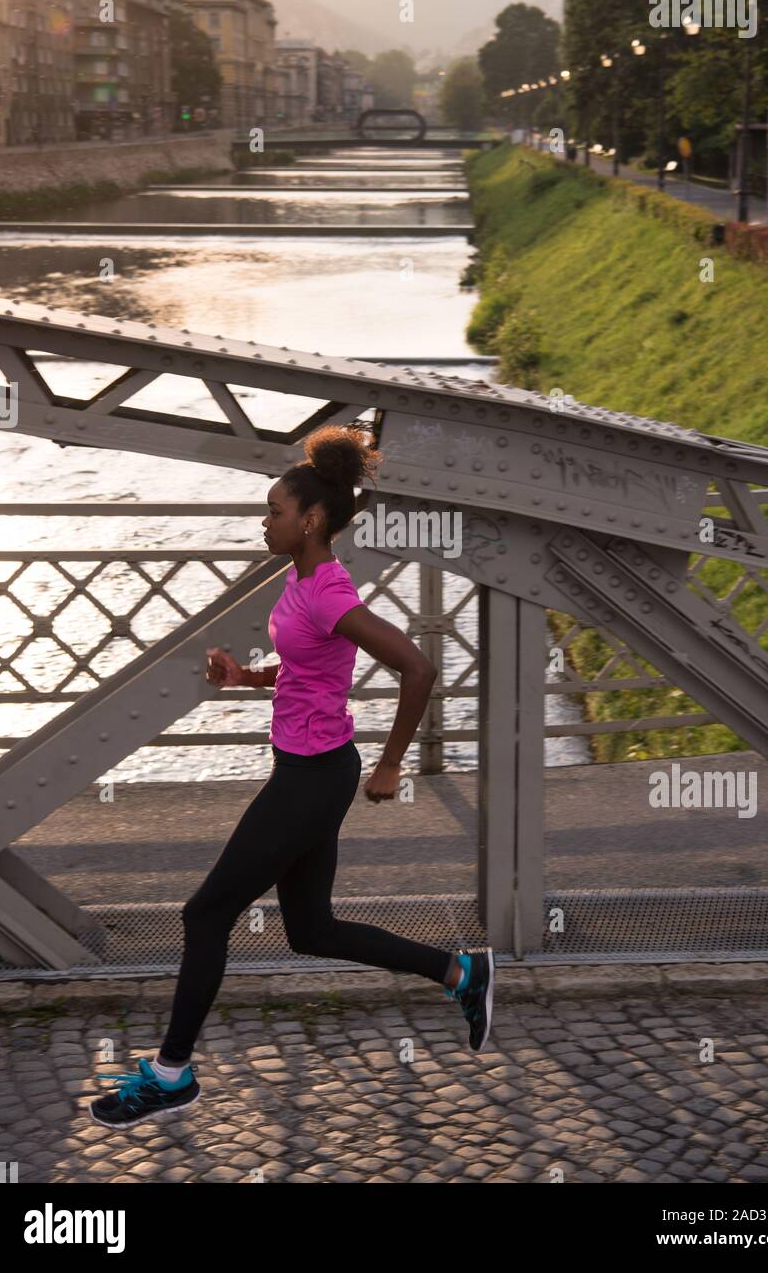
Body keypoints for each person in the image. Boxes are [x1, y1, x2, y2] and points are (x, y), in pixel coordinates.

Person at [90, 423, 494, 1129]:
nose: (264, 521)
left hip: (312, 780)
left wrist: (393, 761)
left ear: (310, 520)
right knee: (310, 929)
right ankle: (462, 973)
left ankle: (171, 1074)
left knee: (205, 913)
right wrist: (248, 676)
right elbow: (308, 668)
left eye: (274, 511)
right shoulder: (300, 578)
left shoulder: (329, 592)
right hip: (310, 770)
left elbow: (418, 668)